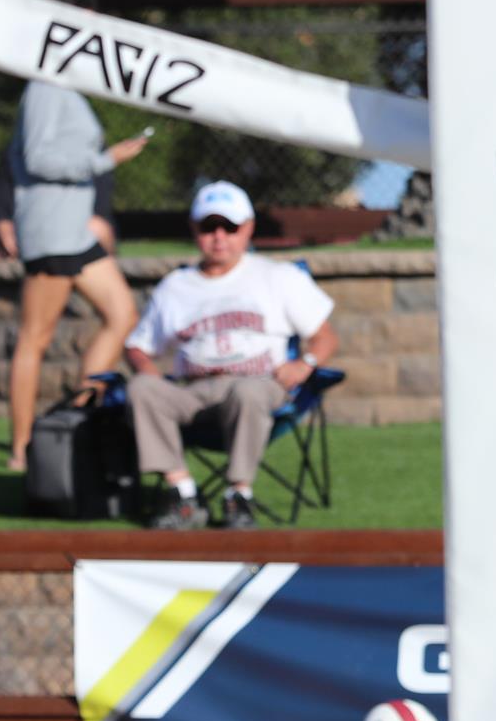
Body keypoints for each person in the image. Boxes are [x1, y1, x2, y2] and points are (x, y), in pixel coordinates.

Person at [125, 181, 339, 531]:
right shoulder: (175, 286)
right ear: (195, 230)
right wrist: (147, 370)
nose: (220, 236)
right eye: (209, 227)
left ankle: (239, 495)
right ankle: (182, 493)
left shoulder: (277, 276)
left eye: (230, 227)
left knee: (248, 392)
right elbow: (138, 345)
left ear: (248, 229)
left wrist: (306, 364)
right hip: (193, 389)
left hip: (259, 384)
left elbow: (324, 335)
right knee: (141, 389)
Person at [4, 79, 146, 471]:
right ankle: (22, 448)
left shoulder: (71, 88)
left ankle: (79, 417)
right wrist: (105, 160)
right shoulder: (44, 88)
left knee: (122, 316)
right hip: (51, 233)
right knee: (35, 338)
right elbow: (38, 159)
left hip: (76, 231)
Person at [0, 156, 117, 263]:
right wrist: (3, 226)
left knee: (98, 228)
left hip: (68, 237)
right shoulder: (19, 151)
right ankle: (32, 261)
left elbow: (96, 209)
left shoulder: (85, 150)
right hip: (21, 240)